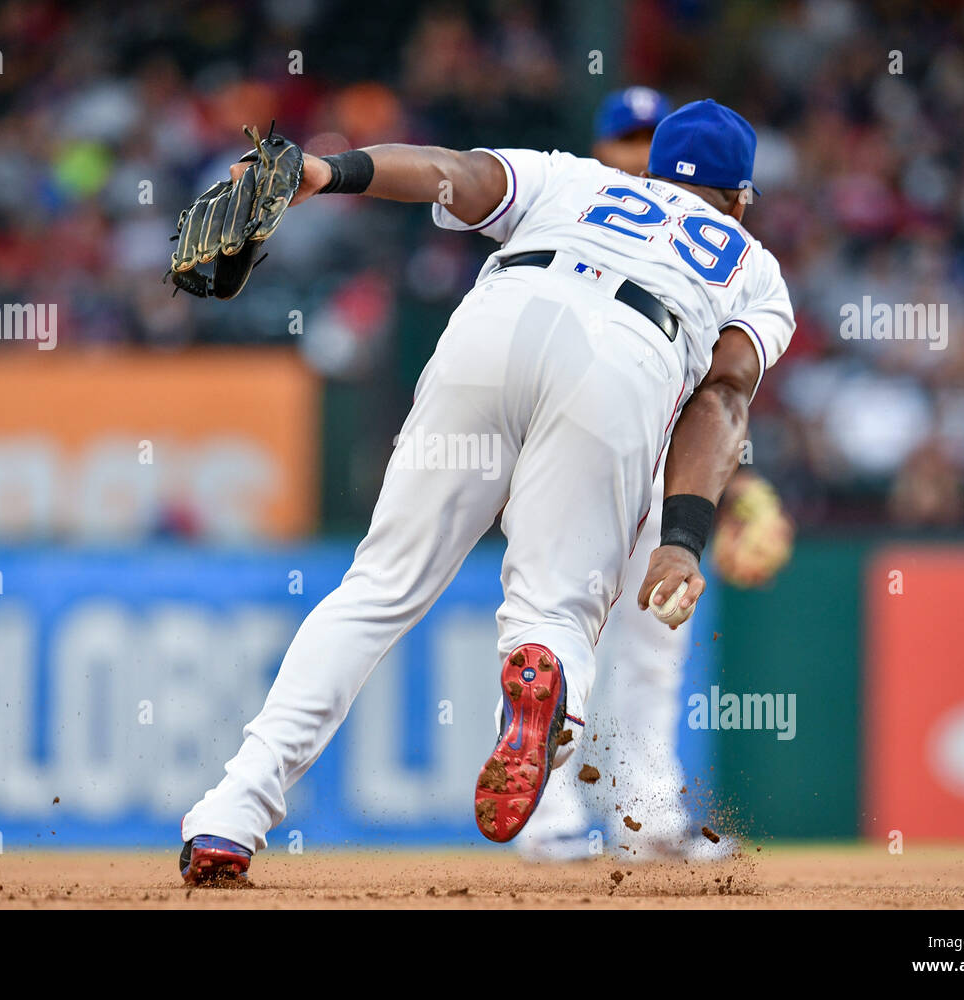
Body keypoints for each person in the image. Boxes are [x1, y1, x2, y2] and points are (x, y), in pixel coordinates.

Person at [179, 99, 795, 884]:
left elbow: (452, 173)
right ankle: (544, 685)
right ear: (741, 198)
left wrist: (331, 171)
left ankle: (234, 811)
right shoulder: (757, 271)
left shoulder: (580, 179)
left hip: (497, 322)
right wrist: (681, 539)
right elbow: (721, 399)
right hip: (631, 358)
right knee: (554, 614)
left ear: (651, 168)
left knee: (378, 587)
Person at [516, 88, 793, 862]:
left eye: (648, 137)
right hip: (574, 455)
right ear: (602, 151)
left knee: (655, 642)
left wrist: (727, 490)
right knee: (556, 629)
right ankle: (548, 814)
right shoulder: (570, 211)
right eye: (624, 138)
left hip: (664, 475)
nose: (636, 152)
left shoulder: (724, 256)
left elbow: (717, 389)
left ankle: (648, 817)